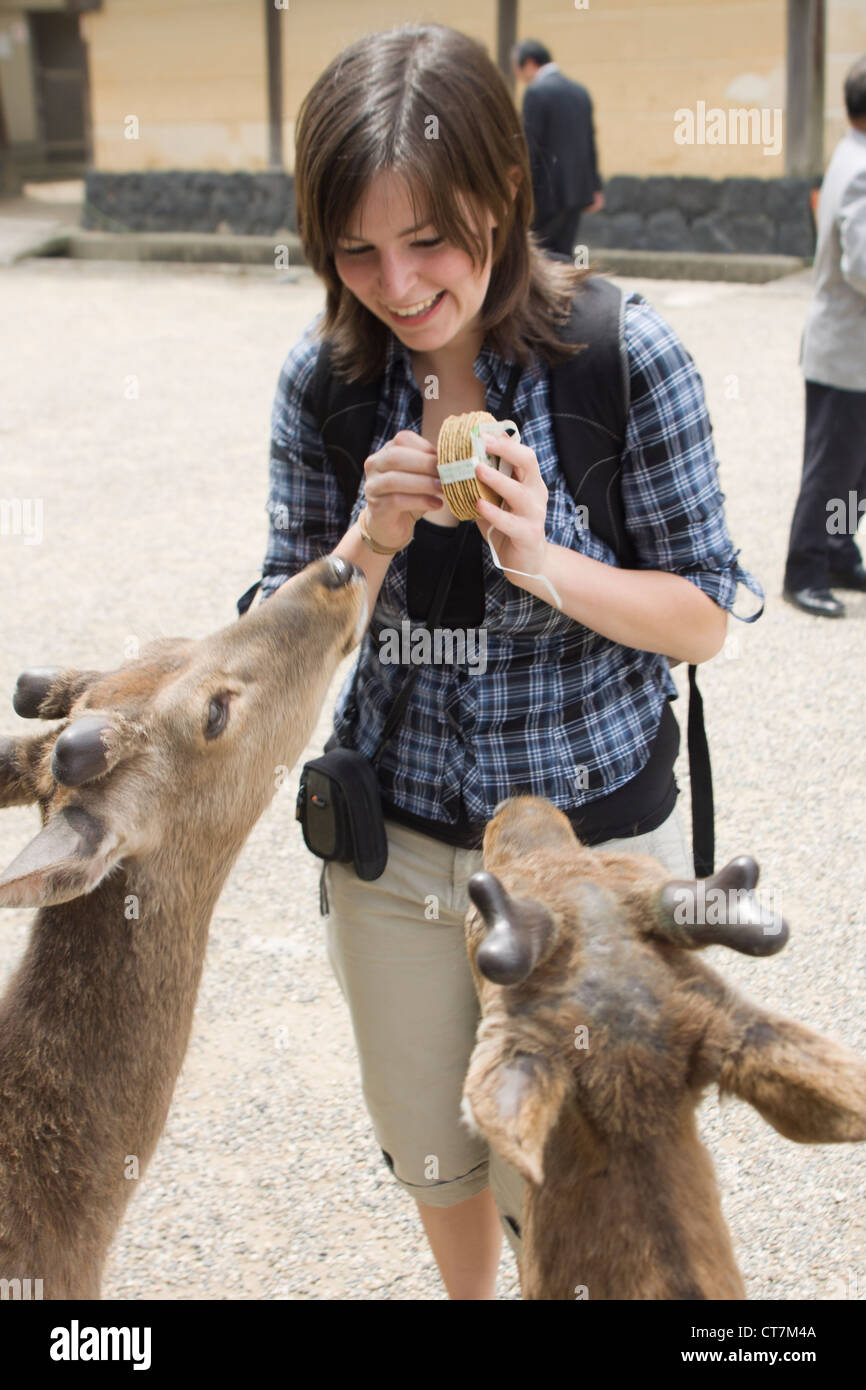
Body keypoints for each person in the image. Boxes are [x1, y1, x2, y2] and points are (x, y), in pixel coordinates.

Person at [257, 23, 763, 1300]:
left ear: (501, 192)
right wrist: (359, 551)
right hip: (395, 846)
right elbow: (271, 646)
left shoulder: (617, 355)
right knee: (434, 1142)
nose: (398, 280)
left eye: (429, 237)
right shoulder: (324, 384)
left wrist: (547, 557)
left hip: (584, 855)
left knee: (573, 1169)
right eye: (356, 248)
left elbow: (703, 614)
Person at [783, 55, 866, 618]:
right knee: (833, 466)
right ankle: (805, 569)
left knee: (855, 466)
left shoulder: (851, 152)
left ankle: (837, 549)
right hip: (846, 352)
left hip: (849, 350)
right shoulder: (861, 168)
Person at [512, 37, 604, 257]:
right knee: (563, 254)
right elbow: (589, 140)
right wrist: (595, 187)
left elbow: (530, 146)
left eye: (517, 69)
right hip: (577, 189)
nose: (519, 76)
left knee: (539, 255)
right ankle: (566, 292)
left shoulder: (536, 93)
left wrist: (521, 188)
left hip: (546, 192)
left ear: (530, 63)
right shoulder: (580, 91)